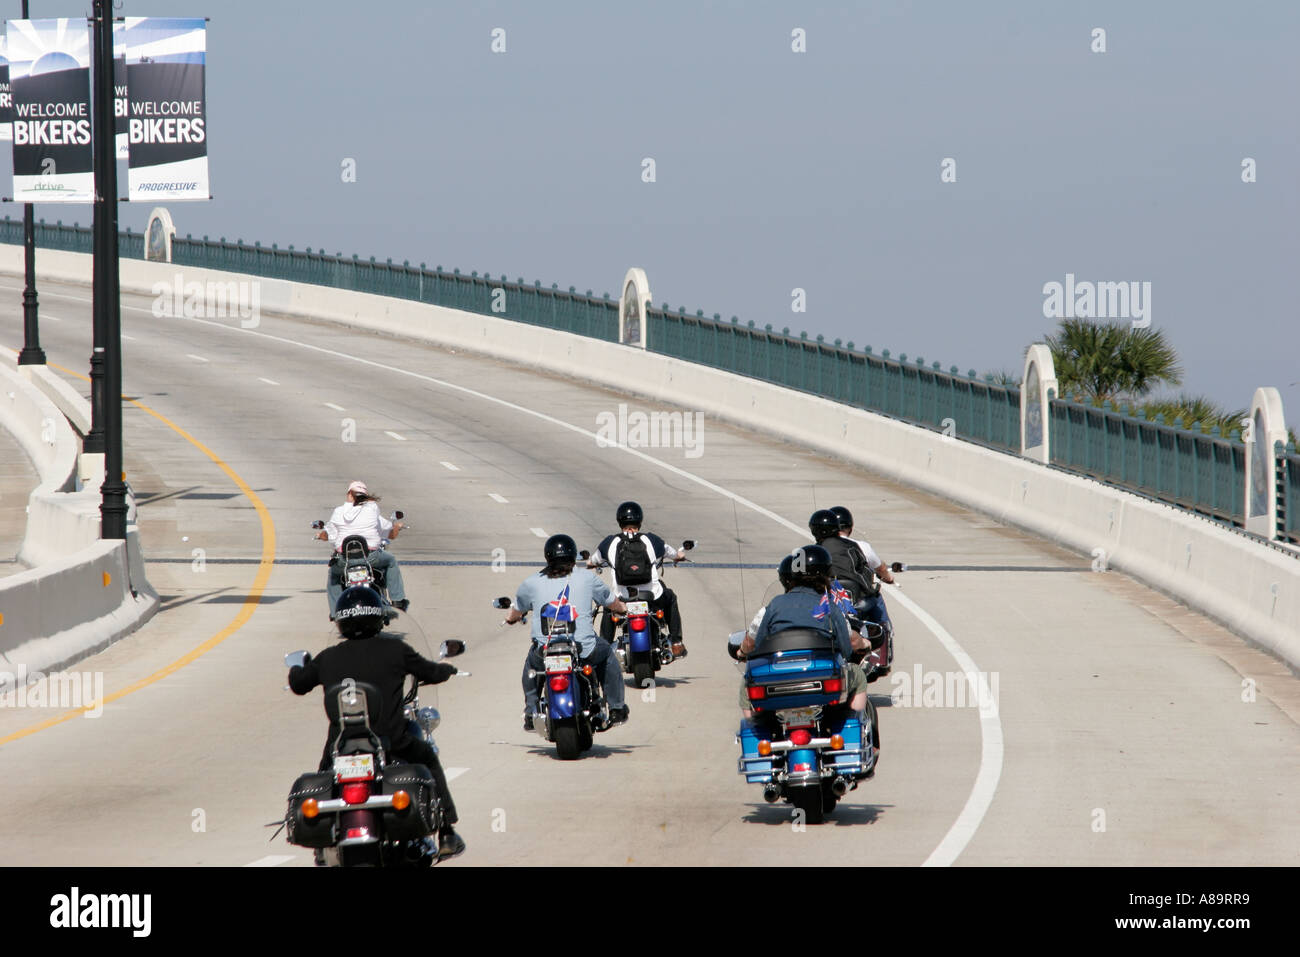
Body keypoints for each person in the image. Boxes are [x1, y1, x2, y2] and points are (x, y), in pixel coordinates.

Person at [287, 587, 466, 860]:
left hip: (341, 746)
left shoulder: (328, 658)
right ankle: (446, 832)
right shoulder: (396, 650)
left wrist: (297, 667)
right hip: (392, 741)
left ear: (341, 621)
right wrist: (447, 669)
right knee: (427, 756)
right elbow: (430, 671)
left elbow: (298, 685)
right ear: (378, 619)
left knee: (325, 772)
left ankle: (323, 847)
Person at [505, 533, 630, 730]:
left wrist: (510, 619)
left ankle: (530, 712)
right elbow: (611, 601)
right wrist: (622, 608)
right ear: (573, 556)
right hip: (583, 648)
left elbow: (517, 611)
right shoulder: (588, 578)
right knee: (606, 653)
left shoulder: (531, 583)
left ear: (548, 557)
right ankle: (616, 707)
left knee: (532, 665)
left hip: (545, 650)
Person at [589, 501, 688, 658]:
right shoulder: (651, 540)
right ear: (639, 521)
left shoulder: (610, 542)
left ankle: (605, 650)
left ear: (619, 521)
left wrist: (590, 564)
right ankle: (676, 643)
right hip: (651, 597)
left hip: (622, 599)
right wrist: (680, 556)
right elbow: (674, 553)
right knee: (670, 598)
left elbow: (593, 560)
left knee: (608, 605)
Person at [317, 480, 408, 618]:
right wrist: (397, 527)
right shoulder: (372, 508)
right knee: (390, 561)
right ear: (365, 496)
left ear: (349, 494)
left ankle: (336, 612)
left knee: (334, 576)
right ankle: (397, 600)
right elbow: (388, 531)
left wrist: (321, 535)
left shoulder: (338, 512)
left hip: (344, 560)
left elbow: (329, 533)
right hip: (371, 557)